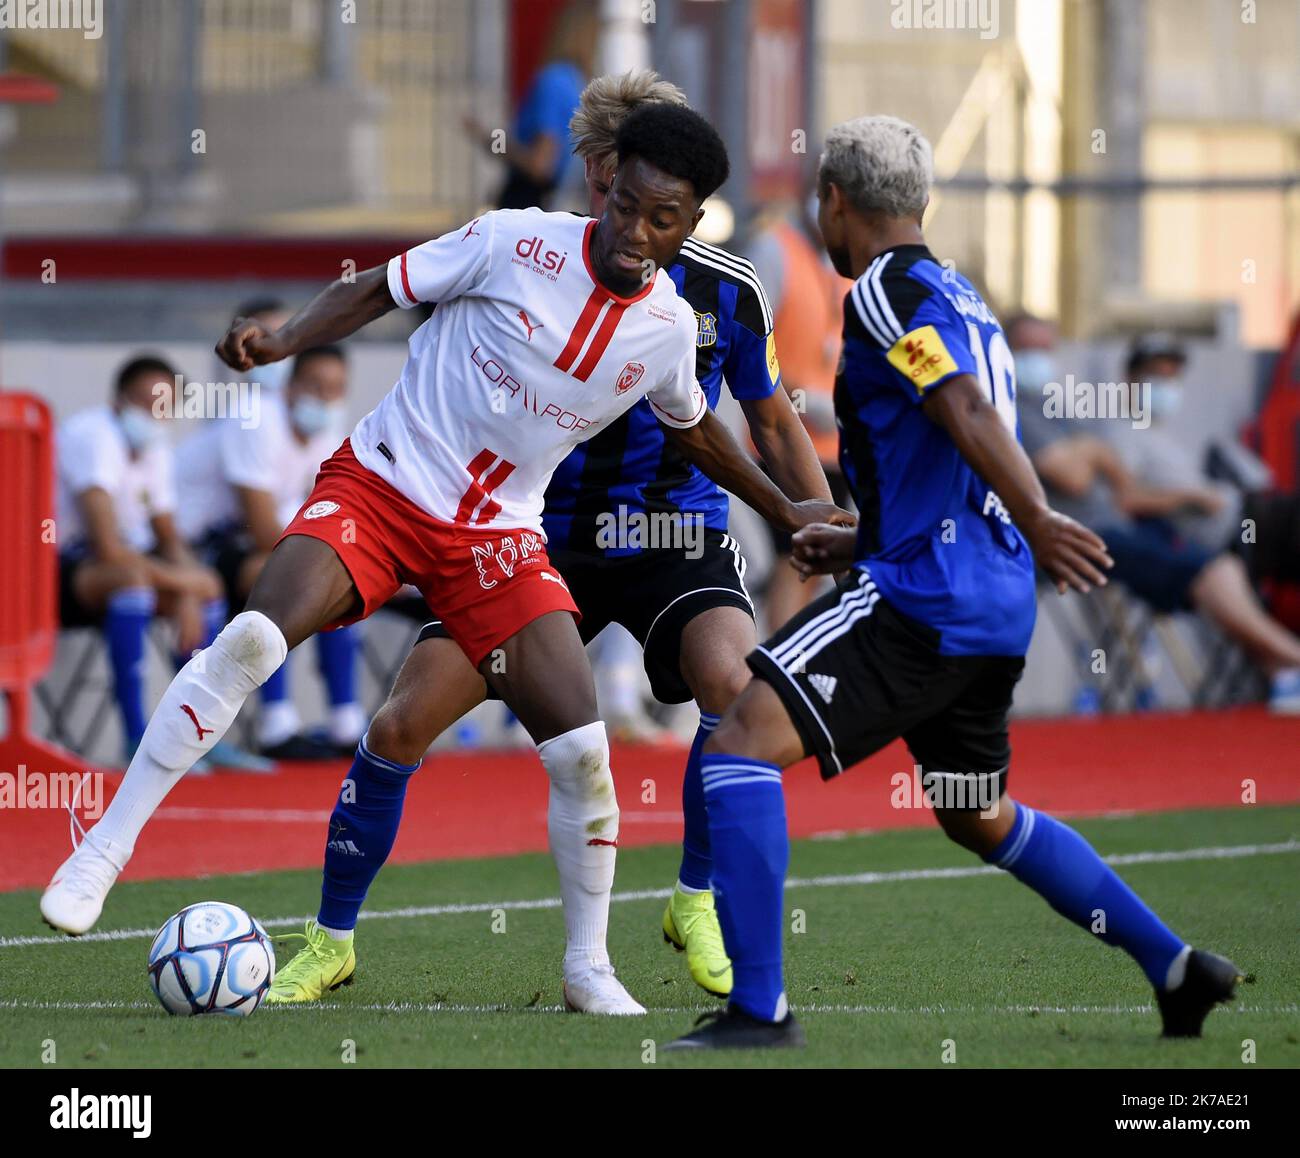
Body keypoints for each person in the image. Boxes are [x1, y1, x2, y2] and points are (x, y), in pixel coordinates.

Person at [39, 103, 849, 1016]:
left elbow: (697, 428)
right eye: (624, 204)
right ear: (607, 187)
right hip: (383, 487)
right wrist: (286, 338)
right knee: (256, 641)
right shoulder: (513, 242)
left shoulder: (667, 324)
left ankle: (588, 969)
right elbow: (381, 286)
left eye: (661, 218)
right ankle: (105, 847)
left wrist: (787, 509)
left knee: (583, 750)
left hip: (500, 540)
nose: (634, 230)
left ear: (690, 223)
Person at [665, 116, 1241, 1051]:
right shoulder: (966, 298)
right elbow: (946, 463)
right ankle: (1175, 967)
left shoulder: (887, 289)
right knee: (977, 813)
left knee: (735, 745)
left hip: (924, 600)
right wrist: (857, 539)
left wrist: (1042, 511)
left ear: (837, 201)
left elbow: (959, 408)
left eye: (822, 201)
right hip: (987, 602)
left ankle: (758, 1010)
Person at [266, 70, 837, 1007]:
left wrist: (812, 522)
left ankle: (692, 895)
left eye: (654, 193)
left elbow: (772, 422)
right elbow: (417, 323)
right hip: (530, 535)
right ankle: (330, 939)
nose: (623, 204)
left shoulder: (724, 293)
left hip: (669, 533)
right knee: (403, 720)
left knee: (736, 685)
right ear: (596, 172)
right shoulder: (520, 249)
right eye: (609, 175)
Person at [1011, 318, 1300, 712]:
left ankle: (1283, 671)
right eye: (1027, 350)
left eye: (1046, 349)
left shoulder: (1059, 412)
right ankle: (1290, 662)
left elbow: (1098, 470)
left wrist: (1092, 454)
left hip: (1128, 530)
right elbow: (1085, 480)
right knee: (1214, 567)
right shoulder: (1015, 412)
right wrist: (1097, 455)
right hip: (1095, 537)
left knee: (1224, 564)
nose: (1039, 360)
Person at [176, 345, 366, 759]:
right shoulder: (256, 417)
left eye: (336, 389)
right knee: (287, 572)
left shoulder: (328, 435)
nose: (326, 398)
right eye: (315, 386)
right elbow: (263, 529)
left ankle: (345, 722)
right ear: (291, 385)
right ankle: (276, 724)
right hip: (189, 547)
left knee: (343, 571)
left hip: (245, 545)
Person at [54, 356, 232, 765]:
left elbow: (168, 537)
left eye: (163, 406)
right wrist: (184, 583)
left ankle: (199, 735)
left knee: (205, 586)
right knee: (134, 580)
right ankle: (136, 737)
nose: (153, 414)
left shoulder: (156, 449)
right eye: (143, 401)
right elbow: (108, 549)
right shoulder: (93, 436)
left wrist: (191, 583)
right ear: (118, 399)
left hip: (116, 570)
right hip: (52, 571)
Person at [746, 185, 856, 631]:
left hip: (833, 450)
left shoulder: (841, 263)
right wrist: (799, 397)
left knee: (816, 564)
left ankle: (791, 669)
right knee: (794, 560)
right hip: (783, 442)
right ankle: (780, 670)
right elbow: (751, 345)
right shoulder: (775, 248)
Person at [465, 1, 595, 210]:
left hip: (525, 201)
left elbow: (540, 164)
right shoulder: (579, 84)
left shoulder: (554, 79)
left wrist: (490, 140)